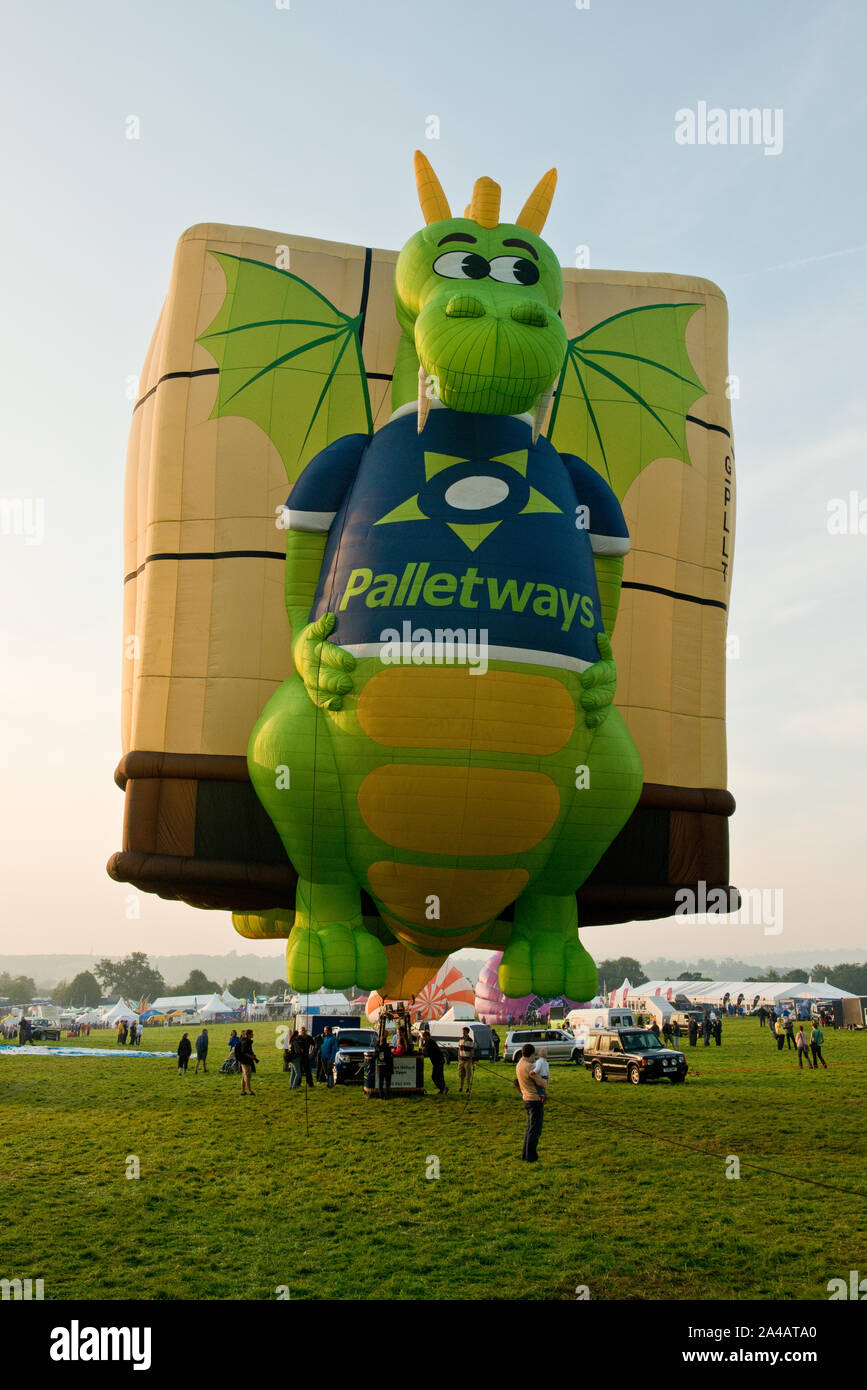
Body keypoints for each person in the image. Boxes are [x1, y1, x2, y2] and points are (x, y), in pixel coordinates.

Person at [515, 1043, 545, 1163]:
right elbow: (542, 1083)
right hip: (535, 1100)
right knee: (535, 1130)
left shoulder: (519, 1064)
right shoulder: (530, 1067)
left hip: (526, 1099)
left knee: (529, 1129)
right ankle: (531, 1156)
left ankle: (525, 1154)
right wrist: (545, 1079)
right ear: (531, 1054)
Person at [422, 1029, 447, 1095]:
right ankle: (442, 1088)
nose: (423, 1038)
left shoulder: (431, 1042)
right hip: (435, 1062)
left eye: (424, 1036)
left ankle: (443, 1088)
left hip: (439, 1061)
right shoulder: (426, 1043)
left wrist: (424, 1049)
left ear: (428, 1036)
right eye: (423, 1037)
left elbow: (427, 1049)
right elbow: (424, 1048)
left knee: (437, 1076)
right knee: (437, 1076)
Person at [238, 1029, 258, 1095]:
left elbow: (247, 1050)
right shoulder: (246, 1042)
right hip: (245, 1061)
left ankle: (243, 1091)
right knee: (247, 1076)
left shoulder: (246, 1041)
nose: (253, 1034)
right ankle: (250, 1091)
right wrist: (250, 1056)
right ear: (249, 1035)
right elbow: (244, 1052)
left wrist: (253, 1054)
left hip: (244, 1061)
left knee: (244, 1077)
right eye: (252, 1033)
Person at [457, 1027, 475, 1094]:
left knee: (468, 1075)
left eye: (464, 1032)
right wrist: (459, 1056)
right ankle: (461, 1087)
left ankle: (468, 1088)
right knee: (461, 1075)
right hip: (461, 1060)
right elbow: (459, 1048)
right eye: (462, 1031)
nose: (463, 1033)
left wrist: (470, 1059)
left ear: (467, 1032)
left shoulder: (470, 1040)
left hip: (467, 1060)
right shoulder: (460, 1039)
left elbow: (472, 1050)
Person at [376, 1034, 393, 1098]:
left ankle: (381, 1095)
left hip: (381, 1067)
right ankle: (387, 1094)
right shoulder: (388, 1048)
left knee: (381, 1082)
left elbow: (375, 1055)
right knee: (388, 1083)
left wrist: (378, 1044)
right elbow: (390, 1056)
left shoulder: (379, 1048)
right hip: (388, 1067)